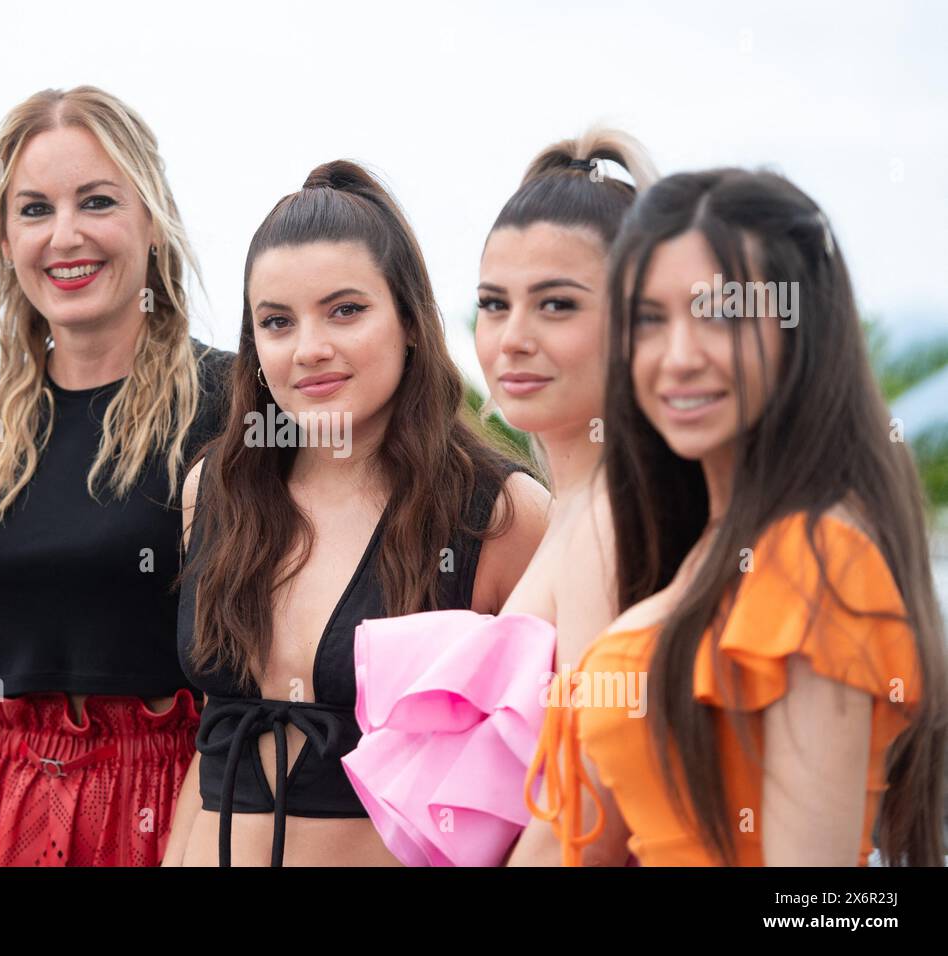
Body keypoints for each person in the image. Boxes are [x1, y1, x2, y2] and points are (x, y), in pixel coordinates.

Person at [528, 168, 946, 866]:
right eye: (650, 320)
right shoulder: (703, 544)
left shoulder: (814, 556)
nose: (679, 357)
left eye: (720, 314)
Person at [167, 160, 549, 867]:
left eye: (345, 310)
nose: (310, 348)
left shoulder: (498, 514)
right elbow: (211, 742)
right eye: (277, 322)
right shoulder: (214, 492)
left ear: (409, 319)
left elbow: (555, 779)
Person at [0, 85, 232, 867]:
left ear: (151, 220)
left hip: (165, 805)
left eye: (96, 201)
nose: (66, 235)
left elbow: (240, 676)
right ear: (5, 237)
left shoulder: (230, 401)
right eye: (34, 210)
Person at [338, 131, 657, 867]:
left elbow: (588, 818)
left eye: (556, 305)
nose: (511, 339)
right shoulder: (575, 508)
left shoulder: (611, 523)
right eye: (493, 303)